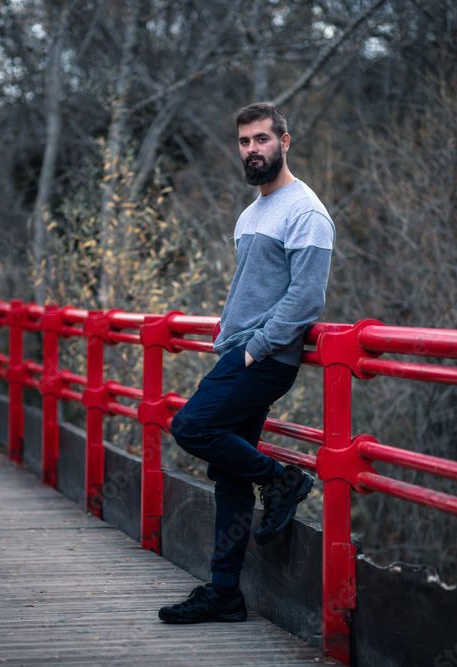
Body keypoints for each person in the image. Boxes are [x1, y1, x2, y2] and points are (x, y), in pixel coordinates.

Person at [158, 102, 334, 624]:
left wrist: (255, 347)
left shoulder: (306, 211)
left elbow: (306, 299)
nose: (252, 149)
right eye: (244, 141)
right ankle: (224, 592)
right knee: (230, 471)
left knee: (190, 425)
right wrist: (227, 327)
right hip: (240, 350)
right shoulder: (251, 214)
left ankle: (282, 480)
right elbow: (253, 288)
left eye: (262, 139)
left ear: (285, 141)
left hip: (265, 359)